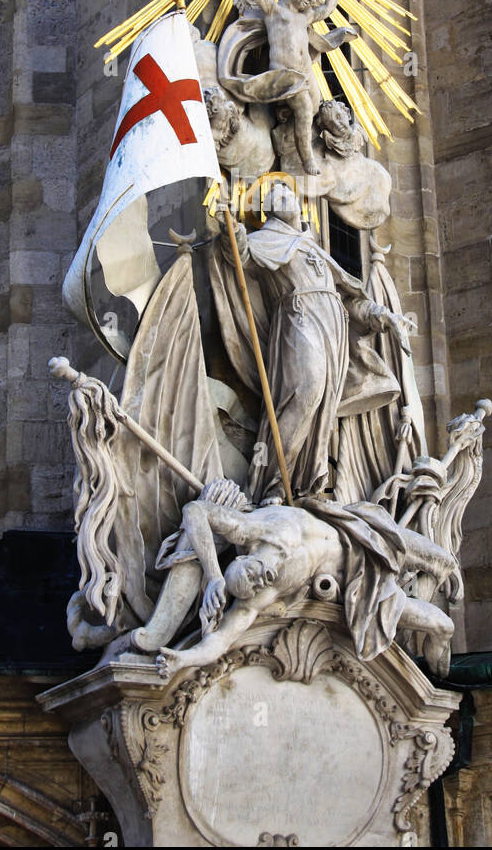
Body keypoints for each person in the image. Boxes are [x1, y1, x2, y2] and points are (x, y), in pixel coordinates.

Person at [211, 180, 410, 504]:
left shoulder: (313, 248)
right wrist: (233, 230)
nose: (286, 196)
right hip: (299, 321)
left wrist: (380, 314)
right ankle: (270, 484)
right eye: (276, 194)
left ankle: (303, 486)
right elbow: (241, 256)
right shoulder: (267, 239)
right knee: (305, 393)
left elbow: (348, 297)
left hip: (333, 331)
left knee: (320, 409)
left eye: (288, 192)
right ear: (268, 209)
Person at [147, 478, 457, 676]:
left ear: (246, 556)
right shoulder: (263, 595)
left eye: (252, 573)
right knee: (442, 625)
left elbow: (196, 511)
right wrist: (183, 660)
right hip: (362, 585)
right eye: (256, 586)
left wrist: (214, 575)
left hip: (358, 530)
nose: (260, 580)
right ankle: (441, 677)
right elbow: (222, 639)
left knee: (440, 560)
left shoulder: (256, 526)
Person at [219, 0, 357, 175]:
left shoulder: (305, 17)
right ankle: (308, 160)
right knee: (304, 108)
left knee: (313, 108)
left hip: (304, 76)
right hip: (283, 76)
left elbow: (328, 7)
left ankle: (284, 125)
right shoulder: (275, 11)